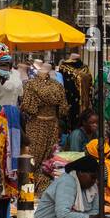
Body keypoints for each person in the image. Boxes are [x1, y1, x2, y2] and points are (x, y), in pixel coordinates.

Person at [19, 62, 69, 193]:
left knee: (33, 156)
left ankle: (29, 187)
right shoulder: (57, 86)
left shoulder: (30, 85)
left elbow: (28, 107)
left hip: (36, 123)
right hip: (53, 125)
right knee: (49, 157)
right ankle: (43, 186)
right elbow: (63, 110)